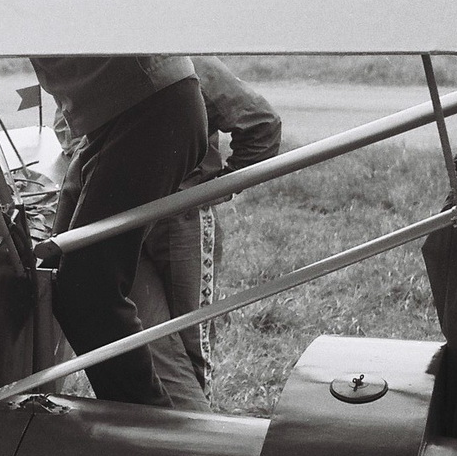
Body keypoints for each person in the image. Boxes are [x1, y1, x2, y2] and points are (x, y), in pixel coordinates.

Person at [31, 54, 208, 407]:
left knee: (87, 292)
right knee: (53, 269)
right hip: (111, 117)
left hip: (148, 107)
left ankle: (152, 431)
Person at [134, 57, 281, 410]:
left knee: (191, 337)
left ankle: (201, 429)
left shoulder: (189, 62)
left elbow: (262, 123)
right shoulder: (102, 65)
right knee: (139, 334)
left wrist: (217, 187)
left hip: (181, 219)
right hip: (121, 218)